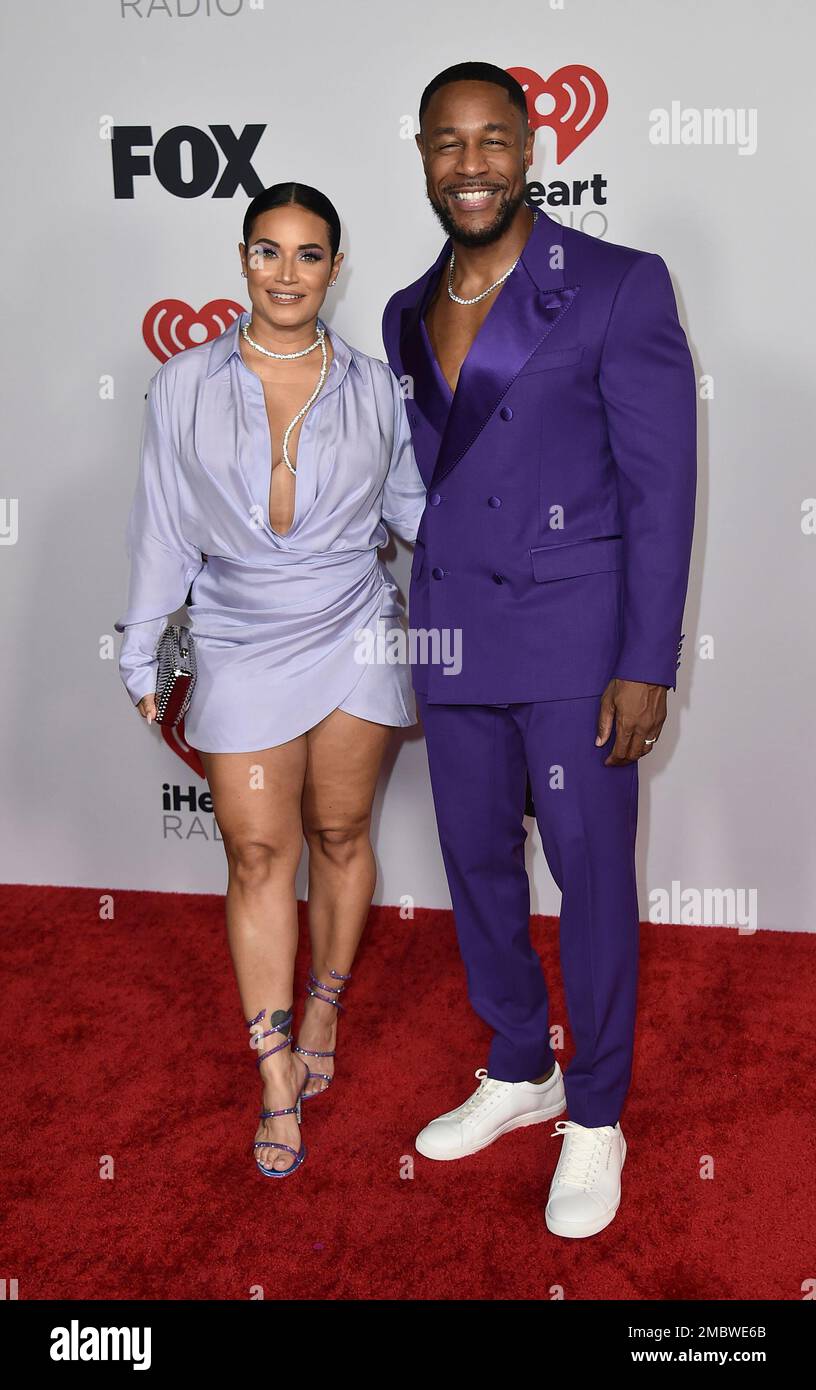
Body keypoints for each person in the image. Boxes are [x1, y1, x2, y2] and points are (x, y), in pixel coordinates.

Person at [382, 63, 696, 1237]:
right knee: (474, 863)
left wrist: (646, 659)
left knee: (592, 878)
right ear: (422, 155)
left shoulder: (617, 286)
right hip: (457, 630)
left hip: (576, 642)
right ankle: (523, 1065)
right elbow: (434, 488)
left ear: (530, 147)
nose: (471, 164)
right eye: (447, 143)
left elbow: (664, 490)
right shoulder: (404, 308)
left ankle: (598, 1112)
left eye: (492, 140)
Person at [115, 183, 426, 1178]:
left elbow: (420, 513)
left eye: (307, 254)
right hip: (239, 633)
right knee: (257, 853)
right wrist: (140, 638)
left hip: (353, 625)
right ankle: (275, 1066)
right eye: (267, 251)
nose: (286, 272)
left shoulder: (380, 388)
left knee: (340, 833)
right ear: (241, 260)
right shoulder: (183, 383)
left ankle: (326, 1000)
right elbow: (161, 521)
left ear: (336, 268)